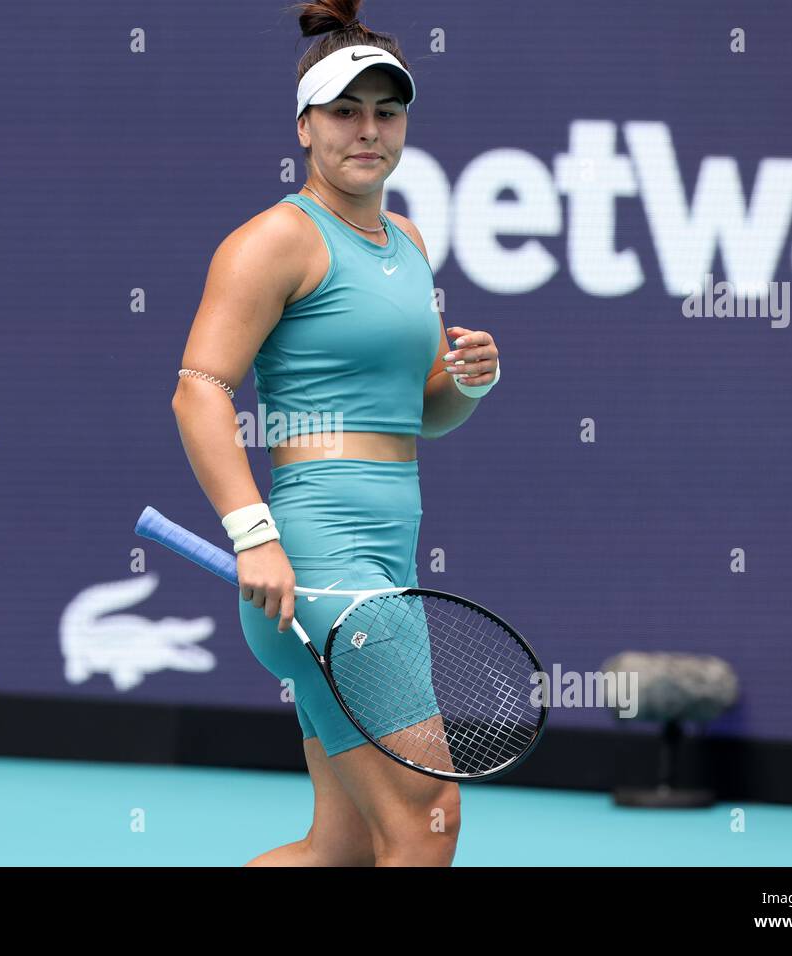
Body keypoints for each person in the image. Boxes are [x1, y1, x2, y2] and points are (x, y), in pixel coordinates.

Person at [171, 0, 501, 867]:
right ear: (305, 127)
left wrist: (468, 384)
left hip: (385, 560)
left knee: (341, 852)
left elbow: (418, 413)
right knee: (429, 818)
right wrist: (255, 535)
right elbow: (198, 392)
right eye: (346, 113)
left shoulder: (409, 241)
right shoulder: (276, 240)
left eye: (387, 113)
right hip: (321, 564)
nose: (369, 131)